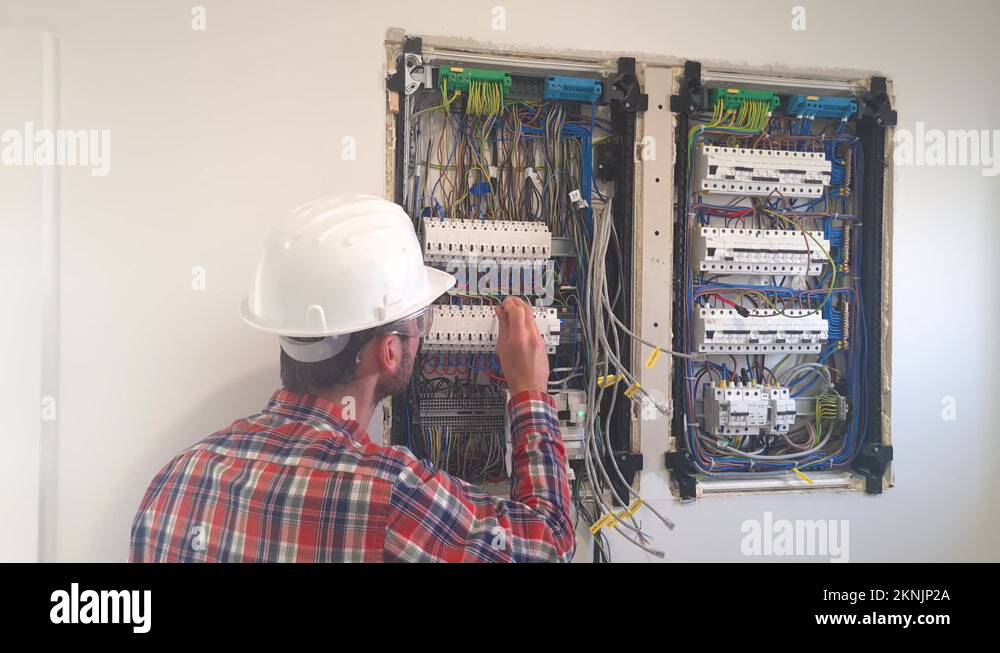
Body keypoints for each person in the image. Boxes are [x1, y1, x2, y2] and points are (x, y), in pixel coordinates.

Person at [129, 195, 574, 562]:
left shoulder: (176, 480)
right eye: (422, 320)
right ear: (389, 350)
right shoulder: (390, 495)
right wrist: (529, 392)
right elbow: (549, 545)